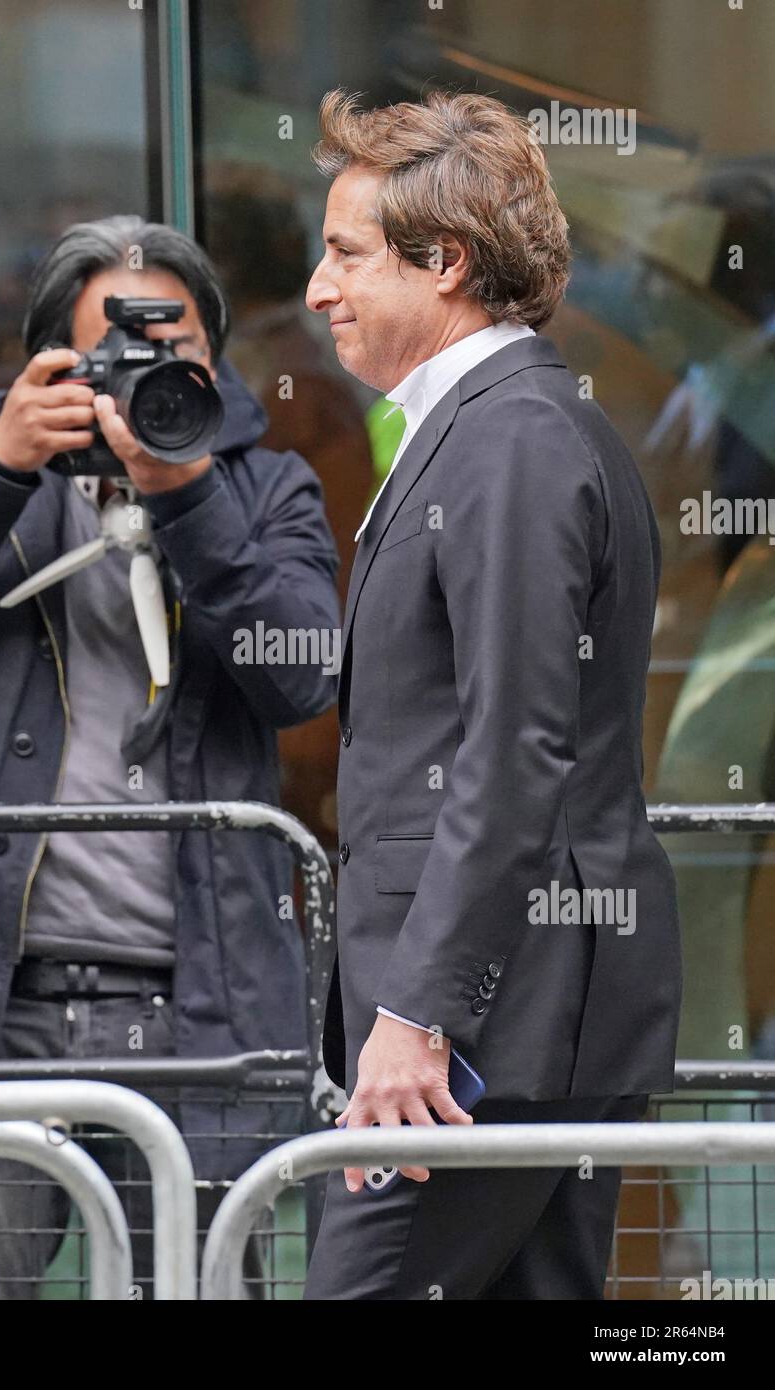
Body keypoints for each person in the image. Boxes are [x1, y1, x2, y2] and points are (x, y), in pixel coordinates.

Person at [0, 215, 340, 1298]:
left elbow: (298, 675)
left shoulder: (266, 489)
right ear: (49, 363)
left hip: (196, 1011)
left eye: (178, 359)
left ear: (217, 359)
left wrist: (188, 494)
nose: (142, 384)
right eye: (114, 356)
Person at [302, 89, 683, 1300]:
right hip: (519, 1020)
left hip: (486, 1034)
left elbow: (515, 750)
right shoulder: (492, 425)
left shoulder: (509, 437)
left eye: (347, 254)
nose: (318, 289)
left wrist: (419, 1013)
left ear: (446, 263)